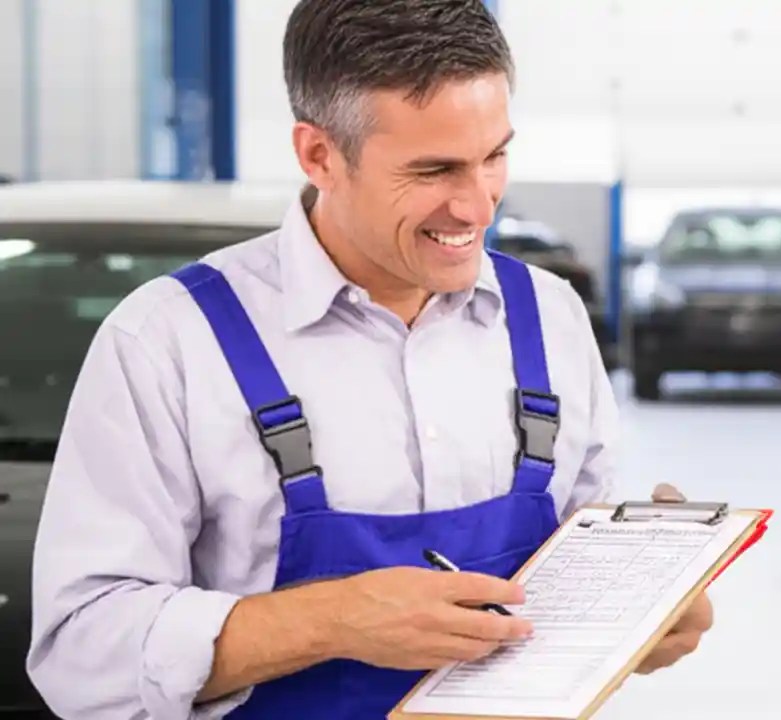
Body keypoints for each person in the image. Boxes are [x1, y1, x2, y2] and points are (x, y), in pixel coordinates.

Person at [26, 1, 712, 717]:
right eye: (434, 170)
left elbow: (571, 585)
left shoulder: (550, 317)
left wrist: (642, 613)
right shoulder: (168, 342)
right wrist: (335, 620)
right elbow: (82, 653)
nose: (477, 207)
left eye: (495, 156)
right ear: (319, 154)